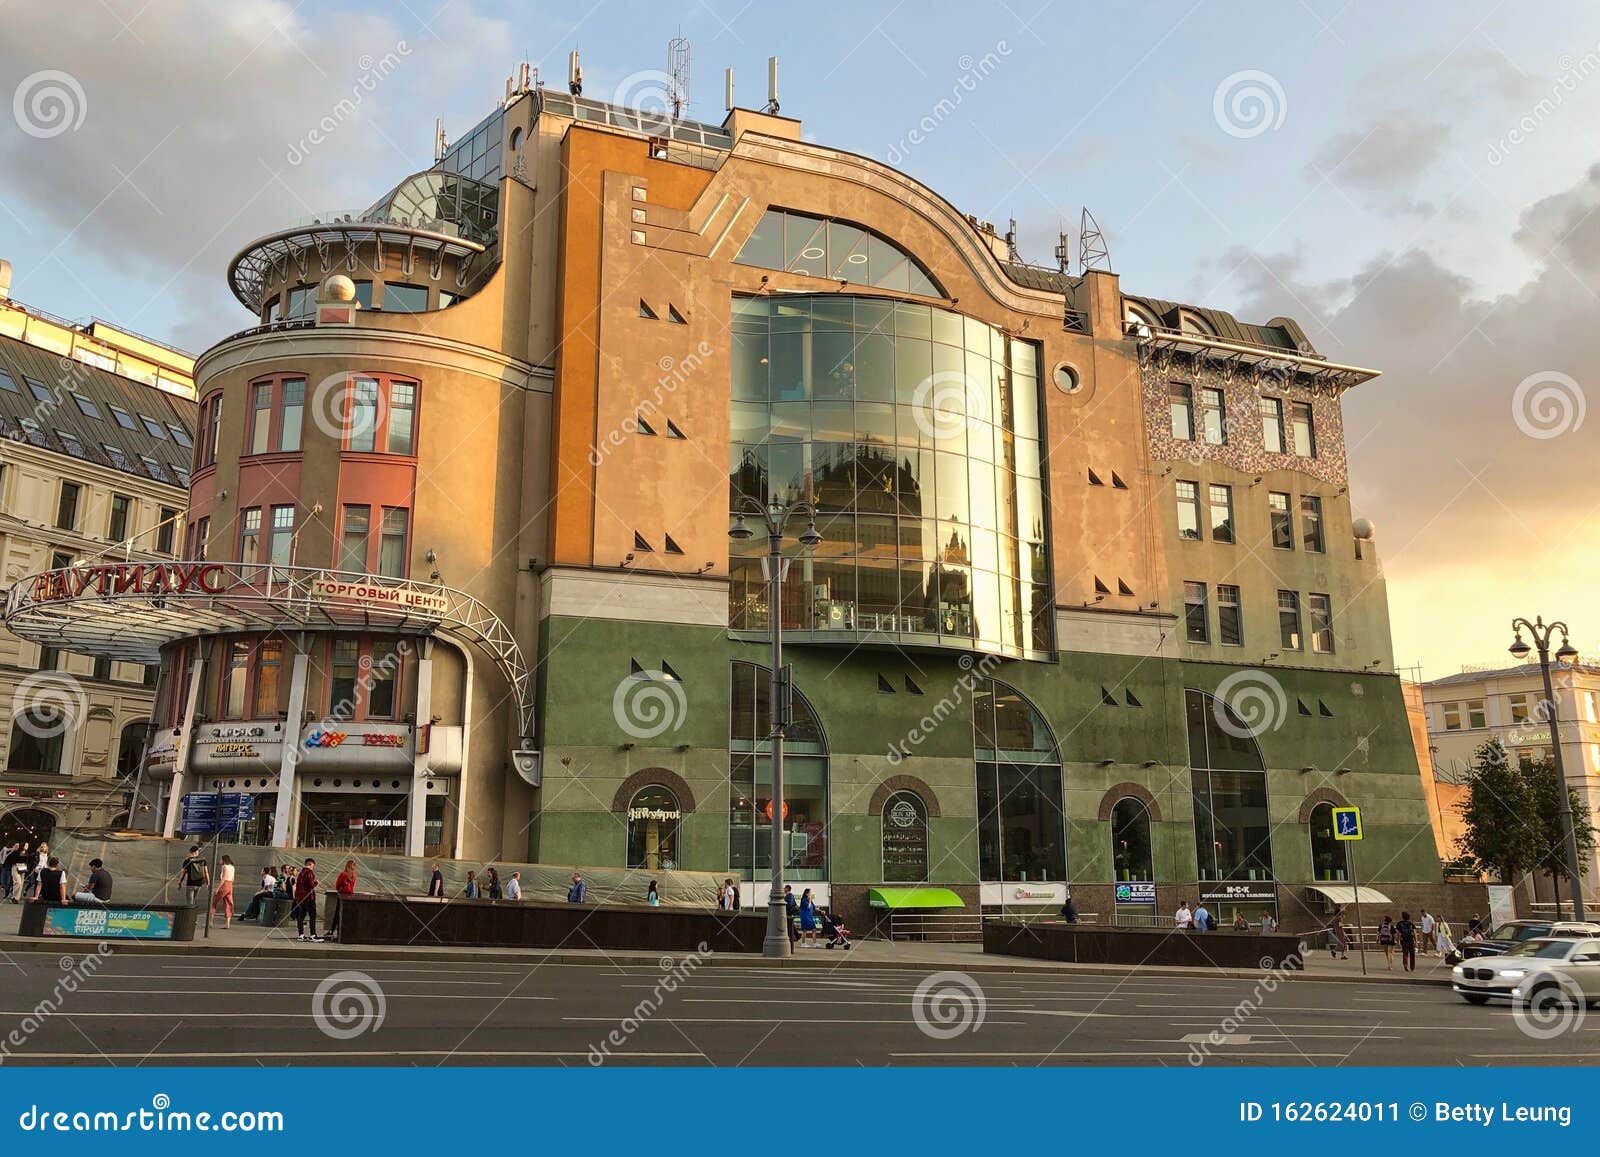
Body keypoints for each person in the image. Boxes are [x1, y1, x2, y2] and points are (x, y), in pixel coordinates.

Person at [292, 857, 321, 942]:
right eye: (313, 866)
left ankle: (301, 935)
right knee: (312, 916)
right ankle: (313, 935)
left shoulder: (300, 873)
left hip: (301, 898)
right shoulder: (309, 872)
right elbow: (311, 885)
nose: (313, 868)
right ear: (310, 864)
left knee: (301, 916)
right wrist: (316, 883)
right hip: (309, 898)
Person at [327, 859, 357, 939]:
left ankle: (332, 930)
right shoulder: (354, 876)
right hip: (350, 896)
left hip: (342, 895)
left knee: (338, 914)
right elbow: (352, 887)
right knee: (347, 914)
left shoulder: (343, 874)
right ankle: (345, 931)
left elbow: (337, 886)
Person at [212, 854, 235, 927]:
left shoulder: (224, 866)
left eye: (221, 859)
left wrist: (217, 888)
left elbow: (223, 878)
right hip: (230, 885)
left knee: (214, 902)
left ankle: (210, 921)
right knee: (228, 903)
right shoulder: (232, 867)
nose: (220, 861)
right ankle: (227, 923)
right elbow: (233, 878)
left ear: (224, 860)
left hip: (224, 884)